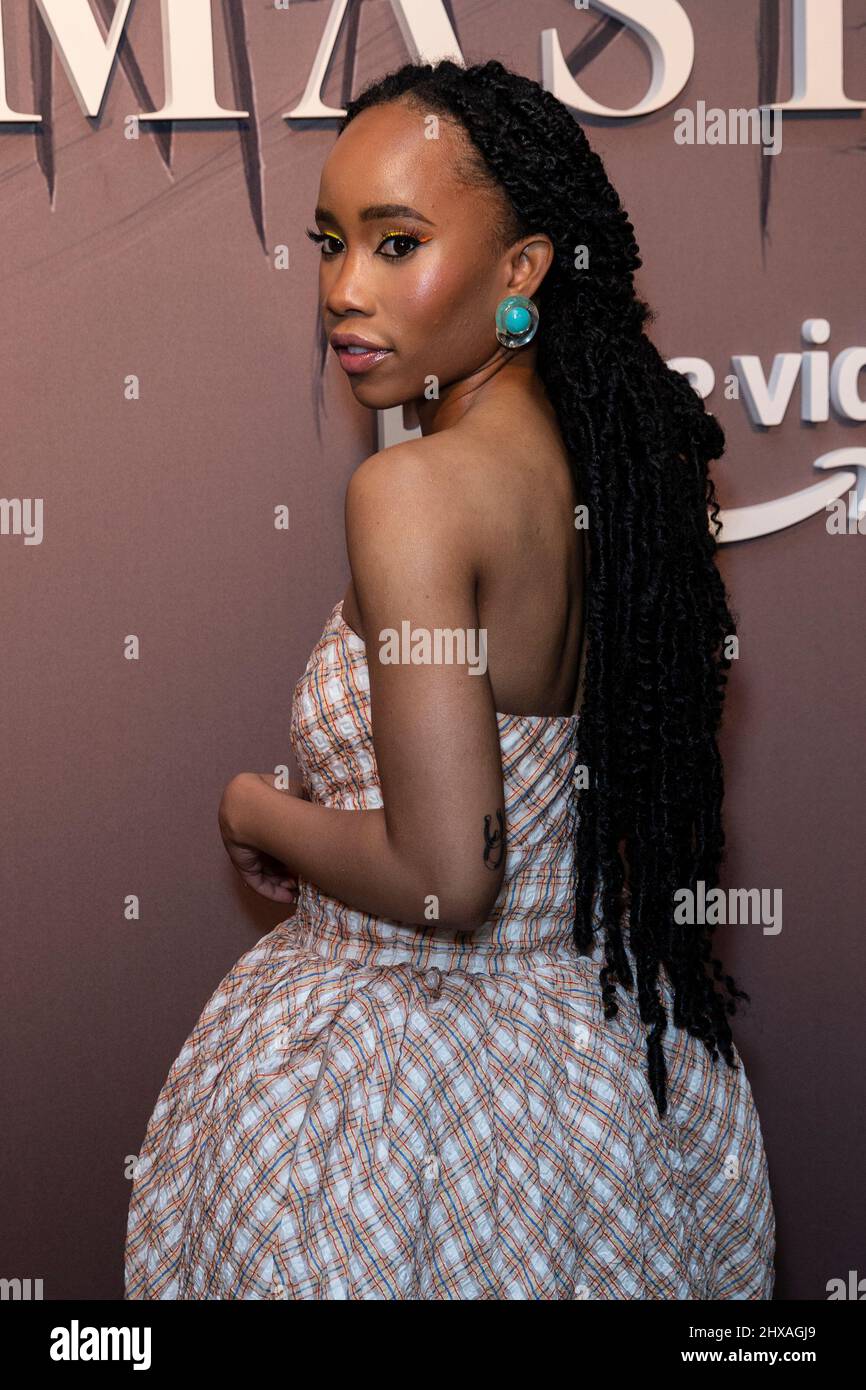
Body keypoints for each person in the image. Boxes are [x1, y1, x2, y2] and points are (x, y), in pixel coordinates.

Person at [124, 57, 775, 1301]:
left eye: (395, 242)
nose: (341, 292)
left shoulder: (412, 489)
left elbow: (447, 876)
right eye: (328, 245)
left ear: (522, 270)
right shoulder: (596, 474)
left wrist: (253, 810)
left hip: (403, 1093)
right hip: (585, 1077)